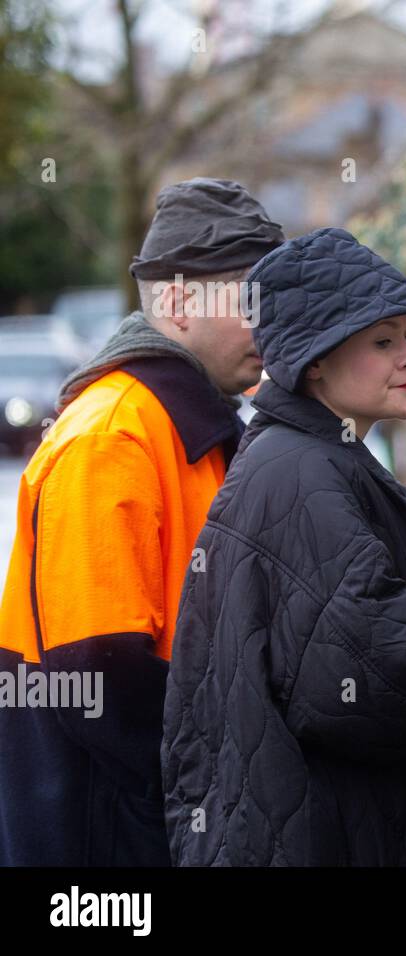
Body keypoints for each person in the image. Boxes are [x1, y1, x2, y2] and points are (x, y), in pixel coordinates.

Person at [161, 227, 406, 866]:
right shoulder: (305, 477)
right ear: (312, 360)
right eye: (383, 342)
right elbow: (372, 687)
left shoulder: (311, 459)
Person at [0, 178, 284, 865]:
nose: (269, 323)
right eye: (250, 299)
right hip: (102, 834)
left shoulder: (181, 423)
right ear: (181, 302)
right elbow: (97, 676)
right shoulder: (112, 436)